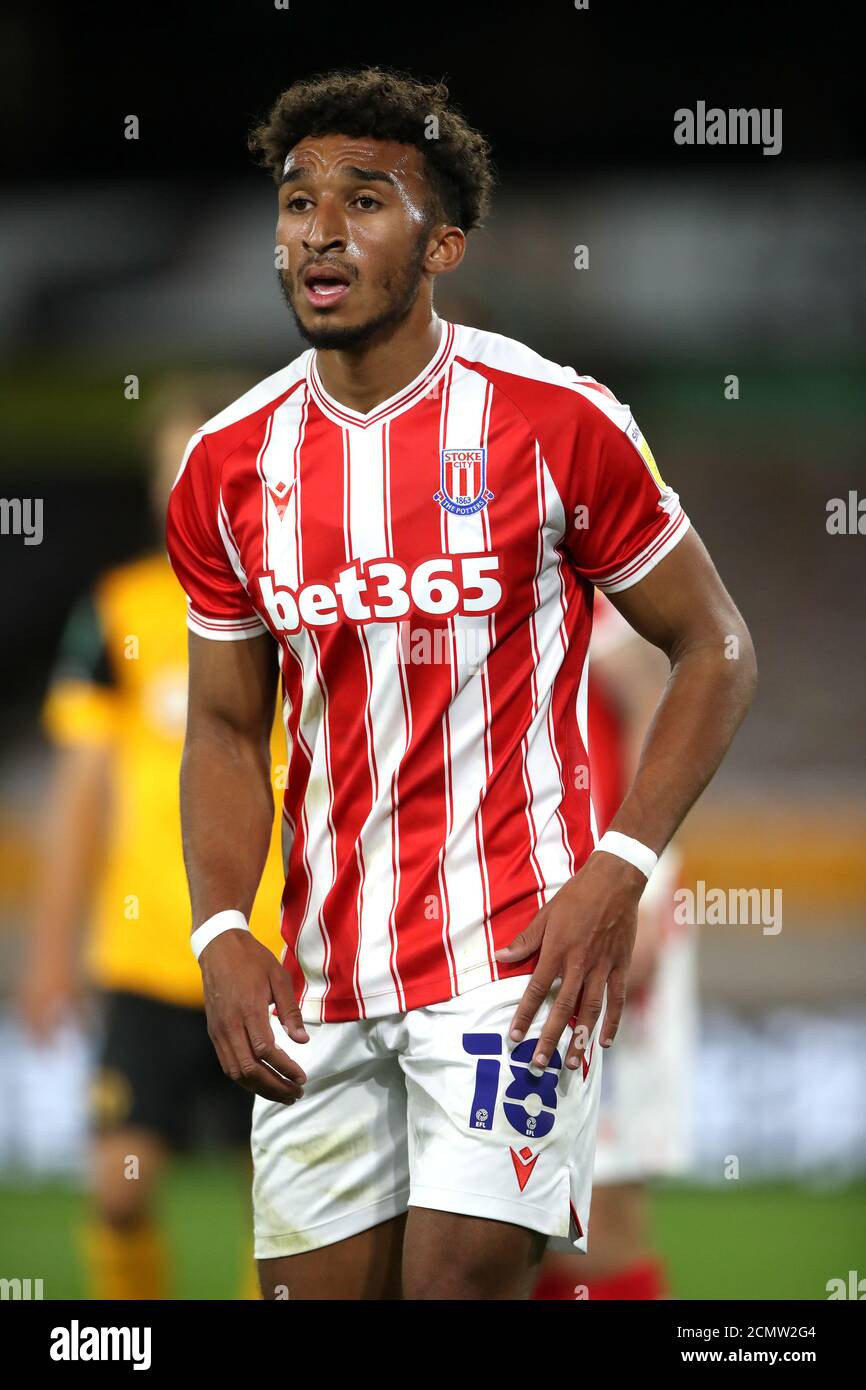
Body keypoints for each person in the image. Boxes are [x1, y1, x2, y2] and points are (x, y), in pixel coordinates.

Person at [165, 66, 756, 1301]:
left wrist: (619, 869)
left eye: (364, 200)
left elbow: (713, 647)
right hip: (318, 982)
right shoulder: (226, 468)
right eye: (294, 201)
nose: (318, 230)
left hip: (511, 966)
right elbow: (223, 725)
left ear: (440, 244)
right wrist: (222, 926)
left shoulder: (556, 423)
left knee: (457, 1287)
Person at [18, 377, 286, 1300]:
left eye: (202, 468)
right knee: (118, 1188)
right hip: (144, 959)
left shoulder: (297, 605)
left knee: (287, 1207)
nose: (186, 491)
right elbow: (78, 798)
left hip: (275, 954)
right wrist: (51, 953)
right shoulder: (120, 611)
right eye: (170, 471)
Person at [533, 594, 697, 1300]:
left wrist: (645, 891)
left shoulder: (606, 596)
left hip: (607, 906)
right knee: (494, 1215)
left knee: (595, 1210)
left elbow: (663, 719)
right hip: (513, 912)